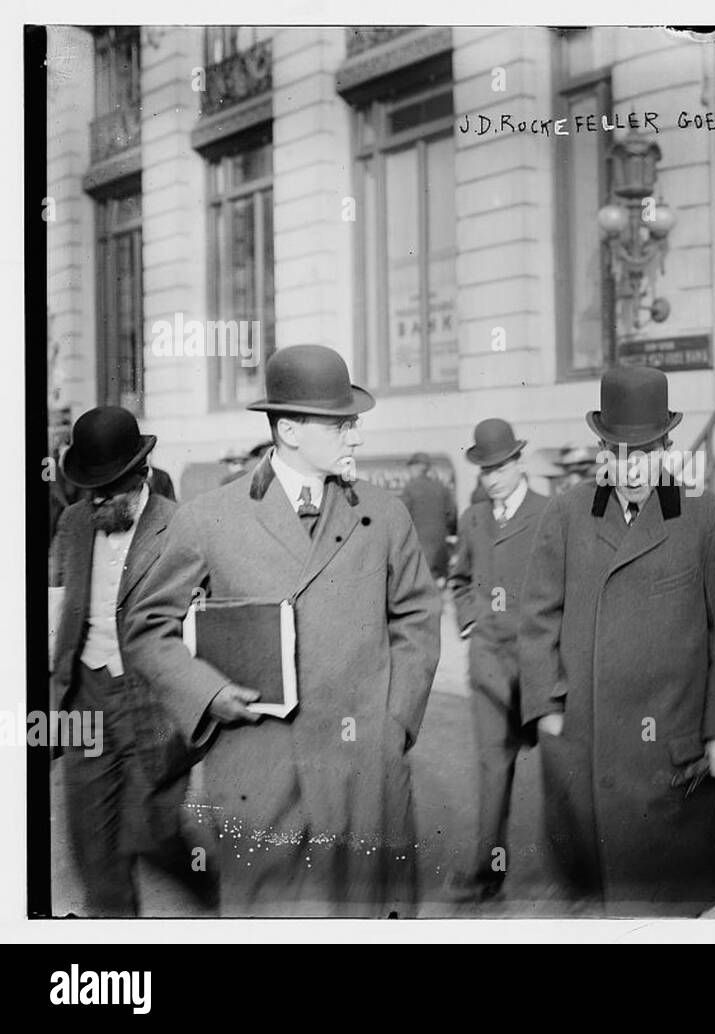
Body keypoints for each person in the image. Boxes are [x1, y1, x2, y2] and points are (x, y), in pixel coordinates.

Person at [123, 345, 441, 917]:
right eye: (341, 424)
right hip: (260, 775)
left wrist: (395, 721)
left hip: (362, 772)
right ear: (289, 430)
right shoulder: (208, 518)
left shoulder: (384, 514)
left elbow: (417, 615)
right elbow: (147, 628)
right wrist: (208, 694)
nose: (356, 438)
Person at [518, 365, 715, 916]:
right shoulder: (568, 513)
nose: (632, 469)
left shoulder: (707, 519)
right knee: (593, 905)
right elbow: (537, 616)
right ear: (602, 450)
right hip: (587, 745)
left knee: (665, 906)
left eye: (645, 452)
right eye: (618, 454)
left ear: (668, 447)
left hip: (673, 746)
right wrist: (547, 707)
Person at [49, 406, 215, 915]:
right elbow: (58, 606)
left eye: (112, 486)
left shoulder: (180, 525)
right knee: (93, 843)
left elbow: (207, 619)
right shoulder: (74, 523)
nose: (99, 498)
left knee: (151, 830)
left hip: (154, 700)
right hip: (86, 701)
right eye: (90, 486)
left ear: (142, 474)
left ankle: (210, 886)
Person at [446, 419, 548, 901]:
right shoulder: (473, 519)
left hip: (542, 663)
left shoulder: (552, 514)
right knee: (492, 767)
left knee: (564, 767)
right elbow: (459, 578)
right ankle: (488, 872)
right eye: (485, 470)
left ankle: (592, 873)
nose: (493, 478)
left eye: (501, 466)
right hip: (488, 660)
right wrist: (469, 620)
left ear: (519, 461)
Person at [400, 451, 458, 583]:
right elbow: (452, 515)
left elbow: (402, 517)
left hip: (420, 548)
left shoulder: (410, 488)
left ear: (416, 468)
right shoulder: (441, 487)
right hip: (441, 548)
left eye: (410, 467)